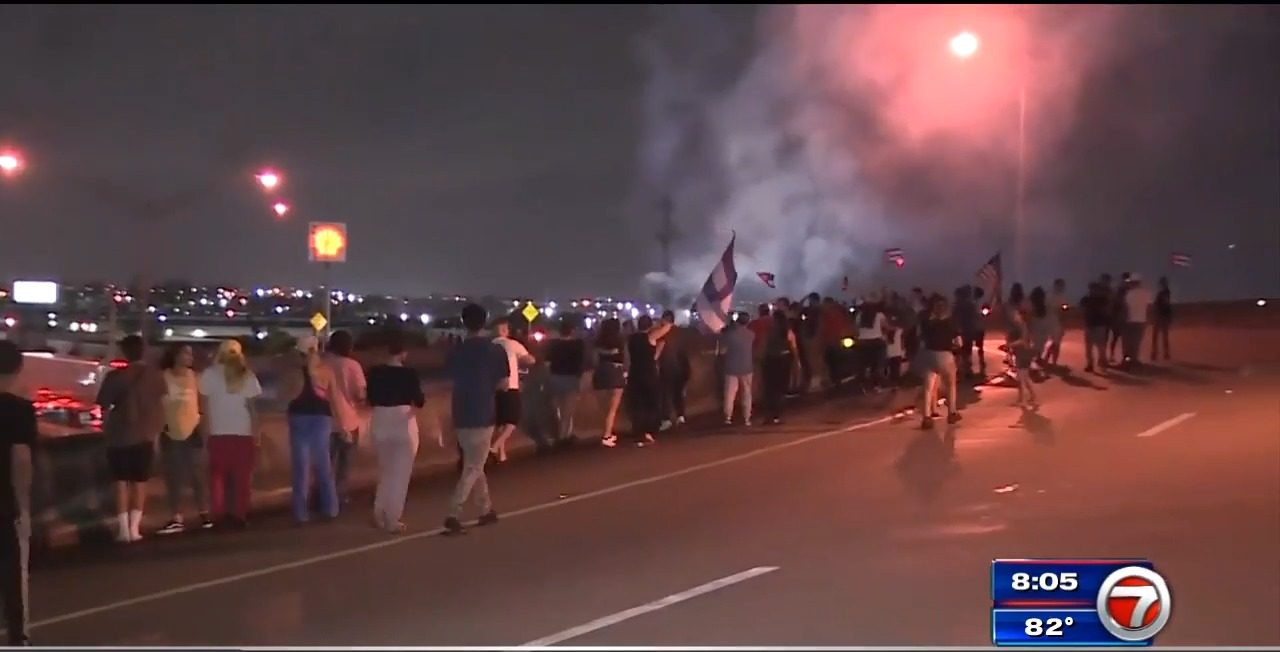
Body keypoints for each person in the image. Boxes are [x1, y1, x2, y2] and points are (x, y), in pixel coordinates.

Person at [96, 335, 166, 543]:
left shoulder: (115, 377)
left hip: (119, 436)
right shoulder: (156, 377)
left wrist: (107, 429)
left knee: (121, 483)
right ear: (143, 351)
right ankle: (135, 529)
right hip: (145, 435)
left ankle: (123, 530)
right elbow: (161, 407)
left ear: (124, 353)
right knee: (139, 483)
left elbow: (104, 408)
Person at [444, 303, 507, 535]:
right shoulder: (494, 350)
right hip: (483, 411)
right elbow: (502, 383)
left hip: (461, 412)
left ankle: (485, 509)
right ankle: (453, 511)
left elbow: (449, 378)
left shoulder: (456, 351)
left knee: (474, 462)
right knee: (474, 466)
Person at [366, 332, 426, 534]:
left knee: (385, 470)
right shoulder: (409, 374)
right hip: (402, 421)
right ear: (403, 353)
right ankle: (393, 518)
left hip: (380, 419)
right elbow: (419, 401)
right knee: (401, 473)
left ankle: (379, 512)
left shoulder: (375, 372)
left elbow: (370, 398)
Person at [199, 339, 263, 528]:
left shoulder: (209, 375)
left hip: (218, 432)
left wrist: (205, 434)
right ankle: (239, 513)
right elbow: (252, 409)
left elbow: (204, 408)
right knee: (242, 477)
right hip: (242, 432)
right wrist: (256, 433)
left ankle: (219, 513)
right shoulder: (247, 376)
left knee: (217, 477)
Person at [0, 341, 35, 645]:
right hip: (4, 505)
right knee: (13, 574)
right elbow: (21, 460)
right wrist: (23, 507)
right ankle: (17, 636)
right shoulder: (19, 409)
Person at [156, 344, 211, 535]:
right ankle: (176, 517)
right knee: (174, 477)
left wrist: (203, 426)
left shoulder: (195, 377)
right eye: (185, 353)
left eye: (191, 353)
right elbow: (158, 404)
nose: (190, 357)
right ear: (175, 355)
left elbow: (202, 404)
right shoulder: (164, 377)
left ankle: (204, 513)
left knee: (197, 475)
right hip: (170, 432)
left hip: (192, 430)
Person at [282, 335, 338, 524]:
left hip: (307, 416)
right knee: (312, 465)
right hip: (312, 416)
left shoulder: (313, 370)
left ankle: (312, 510)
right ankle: (324, 508)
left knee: (311, 465)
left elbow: (326, 390)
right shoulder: (300, 370)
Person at [323, 330, 366, 505]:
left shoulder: (322, 364)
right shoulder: (352, 366)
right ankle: (339, 498)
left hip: (325, 421)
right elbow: (360, 394)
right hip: (349, 421)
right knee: (344, 465)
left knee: (324, 464)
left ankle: (322, 498)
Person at [621, 315, 673, 447]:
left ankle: (638, 434)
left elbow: (627, 358)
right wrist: (660, 323)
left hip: (634, 374)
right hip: (648, 374)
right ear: (649, 326)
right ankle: (649, 432)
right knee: (653, 404)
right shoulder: (650, 337)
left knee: (638, 406)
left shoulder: (631, 339)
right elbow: (667, 328)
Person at [490, 318, 535, 462]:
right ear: (505, 330)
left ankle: (502, 454)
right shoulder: (512, 344)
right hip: (511, 386)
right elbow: (530, 360)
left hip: (494, 388)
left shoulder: (490, 345)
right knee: (513, 420)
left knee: (501, 422)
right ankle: (495, 447)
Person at [918, 295, 962, 428]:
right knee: (951, 385)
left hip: (929, 354)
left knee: (928, 387)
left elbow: (920, 338)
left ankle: (926, 416)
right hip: (945, 354)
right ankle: (952, 412)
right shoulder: (951, 322)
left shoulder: (926, 322)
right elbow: (959, 342)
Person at [546, 319, 587, 448]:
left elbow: (547, 363)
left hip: (555, 378)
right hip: (571, 379)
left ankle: (560, 435)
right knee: (567, 411)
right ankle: (564, 436)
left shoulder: (553, 345)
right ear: (572, 331)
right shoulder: (578, 345)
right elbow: (581, 364)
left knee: (557, 409)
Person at [760, 310, 800, 425]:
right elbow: (794, 348)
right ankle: (776, 415)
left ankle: (770, 415)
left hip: (771, 361)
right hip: (783, 361)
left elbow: (763, 346)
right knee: (780, 389)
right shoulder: (787, 332)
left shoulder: (769, 331)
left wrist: (761, 359)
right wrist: (796, 361)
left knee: (770, 389)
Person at [590, 319, 626, 447]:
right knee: (612, 409)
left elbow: (593, 360)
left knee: (604, 408)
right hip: (615, 373)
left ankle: (606, 432)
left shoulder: (597, 342)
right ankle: (607, 435)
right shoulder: (620, 341)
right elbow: (625, 359)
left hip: (600, 373)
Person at [657, 310, 691, 431]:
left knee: (666, 395)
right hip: (681, 368)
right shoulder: (680, 333)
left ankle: (666, 419)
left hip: (667, 368)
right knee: (678, 394)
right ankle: (680, 415)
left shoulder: (662, 333)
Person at [719, 313, 755, 426]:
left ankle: (728, 417)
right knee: (747, 393)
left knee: (730, 394)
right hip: (747, 366)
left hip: (731, 367)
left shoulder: (729, 335)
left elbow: (722, 351)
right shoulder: (751, 334)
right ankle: (747, 418)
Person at [856, 292, 889, 392]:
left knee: (863, 365)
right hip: (877, 342)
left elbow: (856, 328)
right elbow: (886, 327)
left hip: (863, 343)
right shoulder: (879, 315)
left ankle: (862, 385)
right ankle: (876, 385)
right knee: (878, 365)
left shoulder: (860, 315)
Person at [1007, 309, 1039, 409]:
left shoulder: (1023, 327)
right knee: (1024, 378)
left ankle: (1022, 400)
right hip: (1022, 354)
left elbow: (1023, 341)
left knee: (1020, 379)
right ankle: (1032, 396)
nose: (1014, 316)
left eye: (1016, 314)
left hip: (1023, 355)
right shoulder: (1021, 326)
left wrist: (1010, 344)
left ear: (1021, 316)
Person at [1080, 282, 1111, 373]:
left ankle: (1097, 364)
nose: (1092, 291)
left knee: (1097, 347)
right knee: (1094, 347)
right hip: (1094, 325)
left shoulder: (1100, 300)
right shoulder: (1098, 300)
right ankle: (1094, 364)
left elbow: (1082, 309)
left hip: (1097, 325)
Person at [1122, 274, 1153, 367]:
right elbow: (1149, 307)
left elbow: (1125, 307)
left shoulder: (1129, 294)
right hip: (1141, 320)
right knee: (1136, 342)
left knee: (1128, 342)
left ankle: (1127, 360)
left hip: (1129, 320)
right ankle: (1134, 359)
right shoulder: (1145, 293)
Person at [1108, 273, 1131, 364]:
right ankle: (1117, 356)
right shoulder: (1121, 292)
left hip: (1121, 319)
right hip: (1119, 319)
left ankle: (1122, 356)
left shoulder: (1122, 291)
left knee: (1119, 339)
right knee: (1119, 338)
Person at [1045, 279, 1068, 366]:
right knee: (1054, 342)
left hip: (1057, 322)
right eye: (1061, 285)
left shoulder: (1061, 296)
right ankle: (1047, 358)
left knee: (1056, 342)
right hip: (1052, 322)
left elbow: (1064, 308)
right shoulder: (1050, 295)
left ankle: (1052, 360)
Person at [1028, 286, 1051, 367]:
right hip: (1039, 324)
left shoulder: (1037, 303)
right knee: (1039, 343)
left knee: (1037, 343)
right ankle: (1036, 357)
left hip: (1037, 324)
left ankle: (1036, 357)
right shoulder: (1037, 304)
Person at [1152, 276, 1172, 361]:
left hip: (1161, 316)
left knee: (1157, 336)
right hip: (1163, 316)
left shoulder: (1163, 293)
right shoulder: (1165, 293)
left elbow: (1159, 304)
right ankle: (1164, 353)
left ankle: (1155, 354)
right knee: (1163, 336)